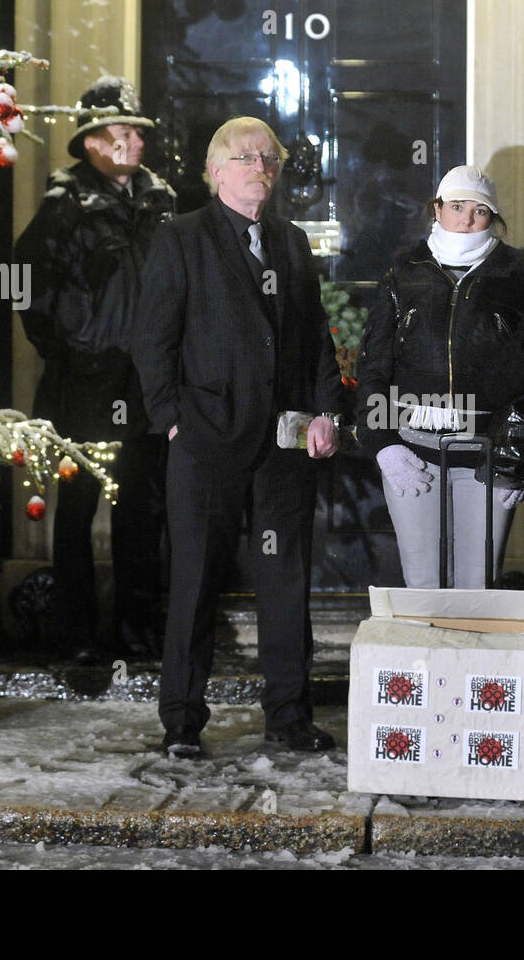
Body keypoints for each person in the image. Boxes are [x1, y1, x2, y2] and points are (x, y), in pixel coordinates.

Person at [132, 116, 346, 758]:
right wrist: (171, 417)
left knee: (287, 582)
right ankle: (182, 723)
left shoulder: (292, 244)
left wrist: (326, 412)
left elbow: (314, 342)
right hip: (205, 440)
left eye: (270, 158)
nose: (261, 167)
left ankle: (288, 716)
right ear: (216, 171)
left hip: (282, 443)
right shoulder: (181, 238)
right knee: (195, 580)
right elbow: (152, 338)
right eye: (246, 157)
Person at [15, 76, 175, 663]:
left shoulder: (161, 199)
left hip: (143, 380)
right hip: (84, 382)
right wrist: (68, 348)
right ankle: (78, 633)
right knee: (77, 507)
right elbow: (27, 283)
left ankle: (140, 631)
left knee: (141, 508)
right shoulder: (64, 204)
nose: (133, 142)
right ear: (90, 142)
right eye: (120, 132)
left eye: (137, 132)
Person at [355, 165, 524, 589]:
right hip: (412, 450)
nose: (467, 219)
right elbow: (374, 365)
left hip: (487, 455)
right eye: (457, 207)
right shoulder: (404, 273)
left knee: (478, 584)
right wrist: (381, 443)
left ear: (494, 218)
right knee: (423, 583)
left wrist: (519, 459)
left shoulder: (522, 274)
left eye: (480, 211)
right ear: (437, 210)